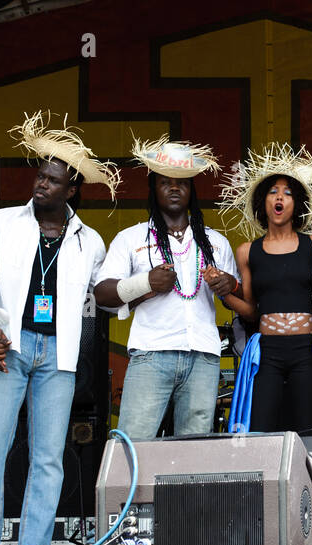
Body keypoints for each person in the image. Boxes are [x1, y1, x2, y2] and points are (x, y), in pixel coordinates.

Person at [0, 111, 118, 545]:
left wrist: (143, 282)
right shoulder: (4, 222)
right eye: (39, 176)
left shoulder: (90, 240)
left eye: (52, 180)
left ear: (71, 190)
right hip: (9, 347)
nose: (40, 185)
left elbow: (107, 296)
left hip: (59, 356)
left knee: (48, 458)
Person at [95, 137, 238, 438]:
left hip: (203, 355)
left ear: (191, 191)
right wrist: (146, 282)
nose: (174, 188)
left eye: (182, 183)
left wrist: (228, 285)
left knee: (193, 450)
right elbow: (103, 294)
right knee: (132, 445)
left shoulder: (216, 242)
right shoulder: (130, 238)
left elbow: (234, 299)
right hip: (151, 353)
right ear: (153, 189)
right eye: (165, 182)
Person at [221, 143, 312, 445]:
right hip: (267, 352)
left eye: (287, 192)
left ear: (297, 204)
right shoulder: (247, 252)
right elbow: (252, 311)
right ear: (263, 202)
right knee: (262, 430)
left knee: (308, 431)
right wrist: (224, 295)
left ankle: (309, 492)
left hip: (304, 352)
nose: (279, 197)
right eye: (272, 191)